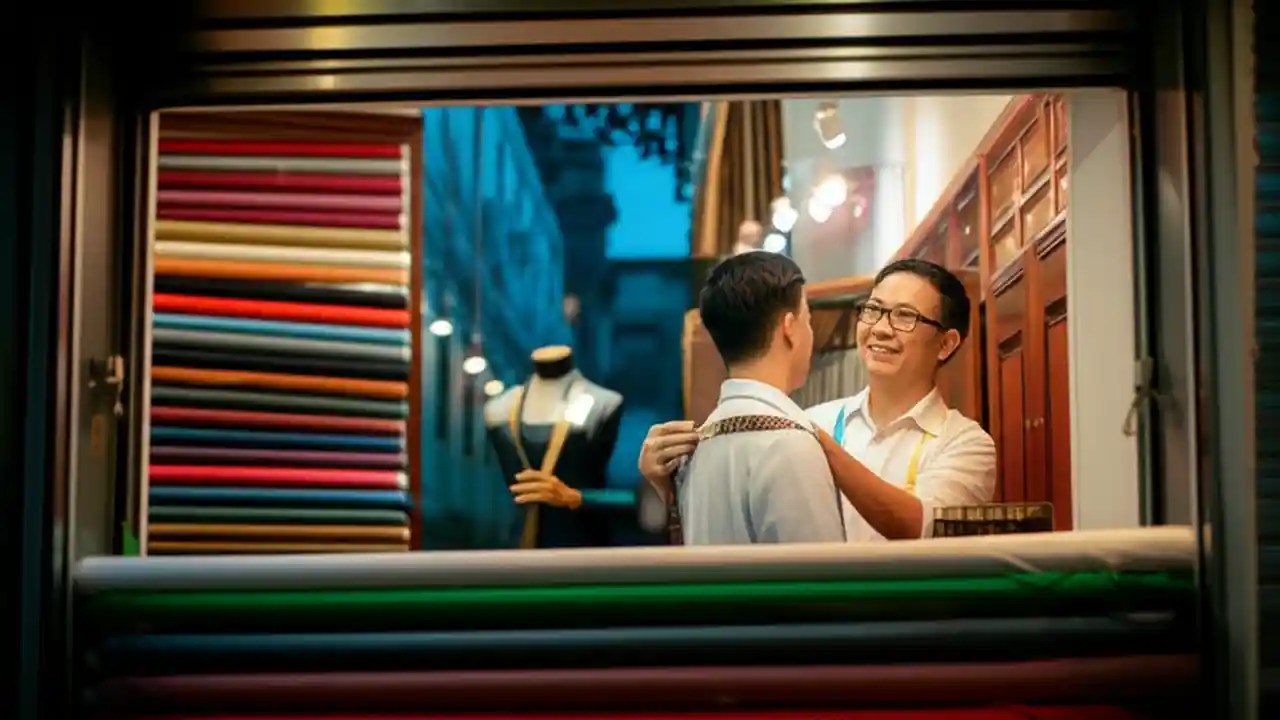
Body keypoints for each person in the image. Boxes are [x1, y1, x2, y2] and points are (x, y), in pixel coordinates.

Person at [640, 258, 996, 542]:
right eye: (873, 310)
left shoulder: (966, 444)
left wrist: (812, 441)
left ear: (947, 343)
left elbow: (921, 526)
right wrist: (667, 484)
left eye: (904, 316)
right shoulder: (812, 421)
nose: (880, 328)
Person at [673, 251, 845, 545]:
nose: (811, 333)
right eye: (808, 319)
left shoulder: (701, 445)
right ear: (790, 327)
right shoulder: (788, 443)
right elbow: (823, 581)